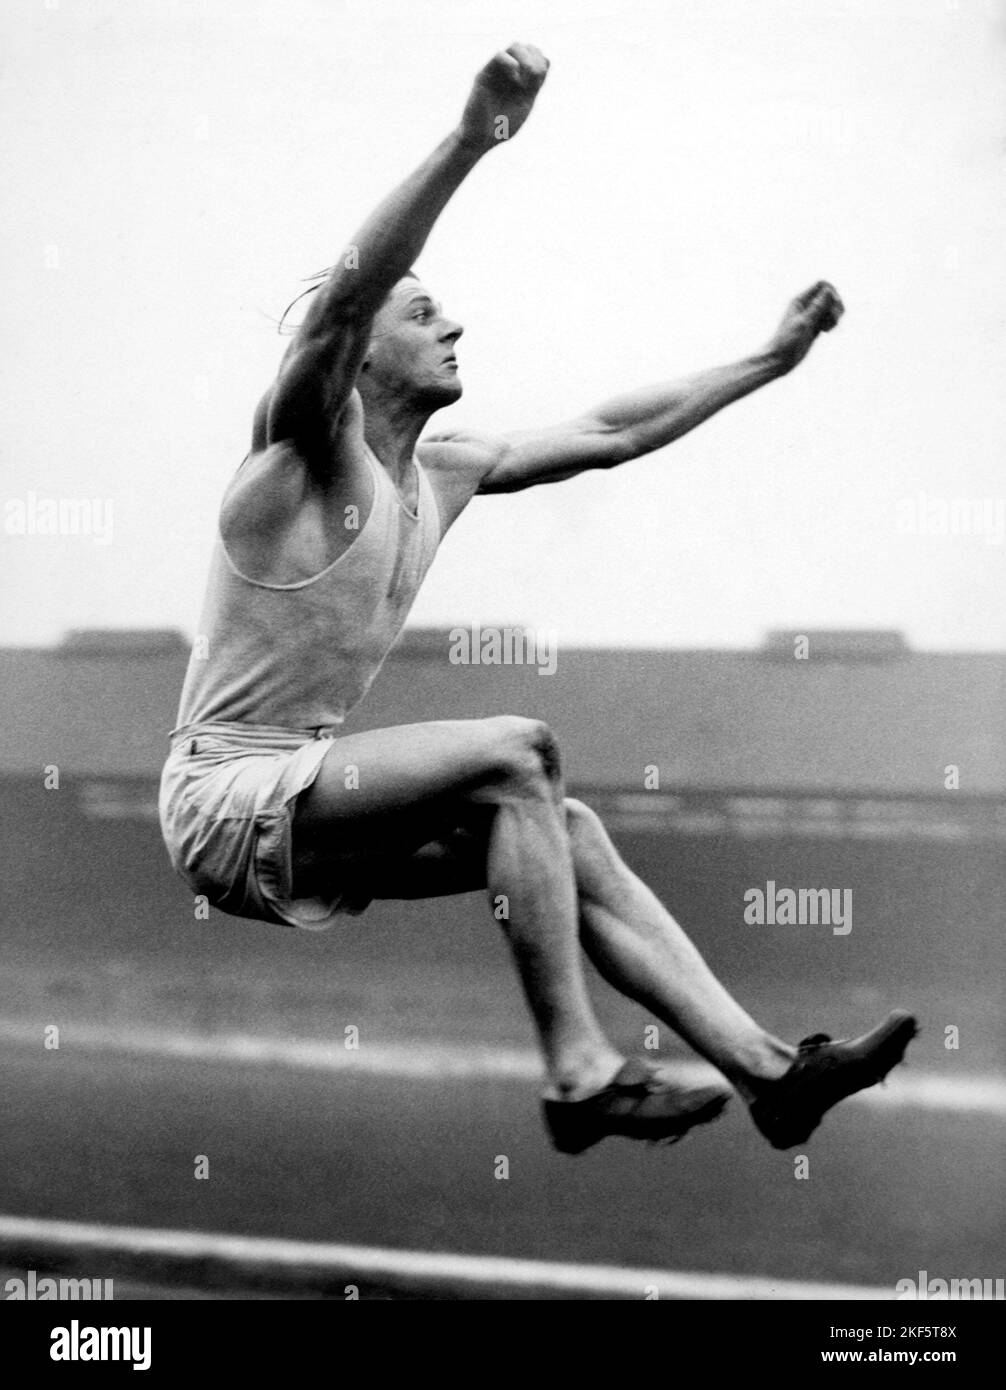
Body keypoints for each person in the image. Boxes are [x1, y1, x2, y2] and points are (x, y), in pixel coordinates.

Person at [159, 43, 917, 1155]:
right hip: (227, 790)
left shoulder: (445, 472)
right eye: (424, 316)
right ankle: (574, 1071)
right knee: (519, 747)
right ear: (356, 358)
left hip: (300, 799)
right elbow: (353, 286)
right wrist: (476, 135)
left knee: (559, 824)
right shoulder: (304, 457)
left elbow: (611, 433)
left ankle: (768, 1074)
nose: (453, 327)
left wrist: (767, 360)